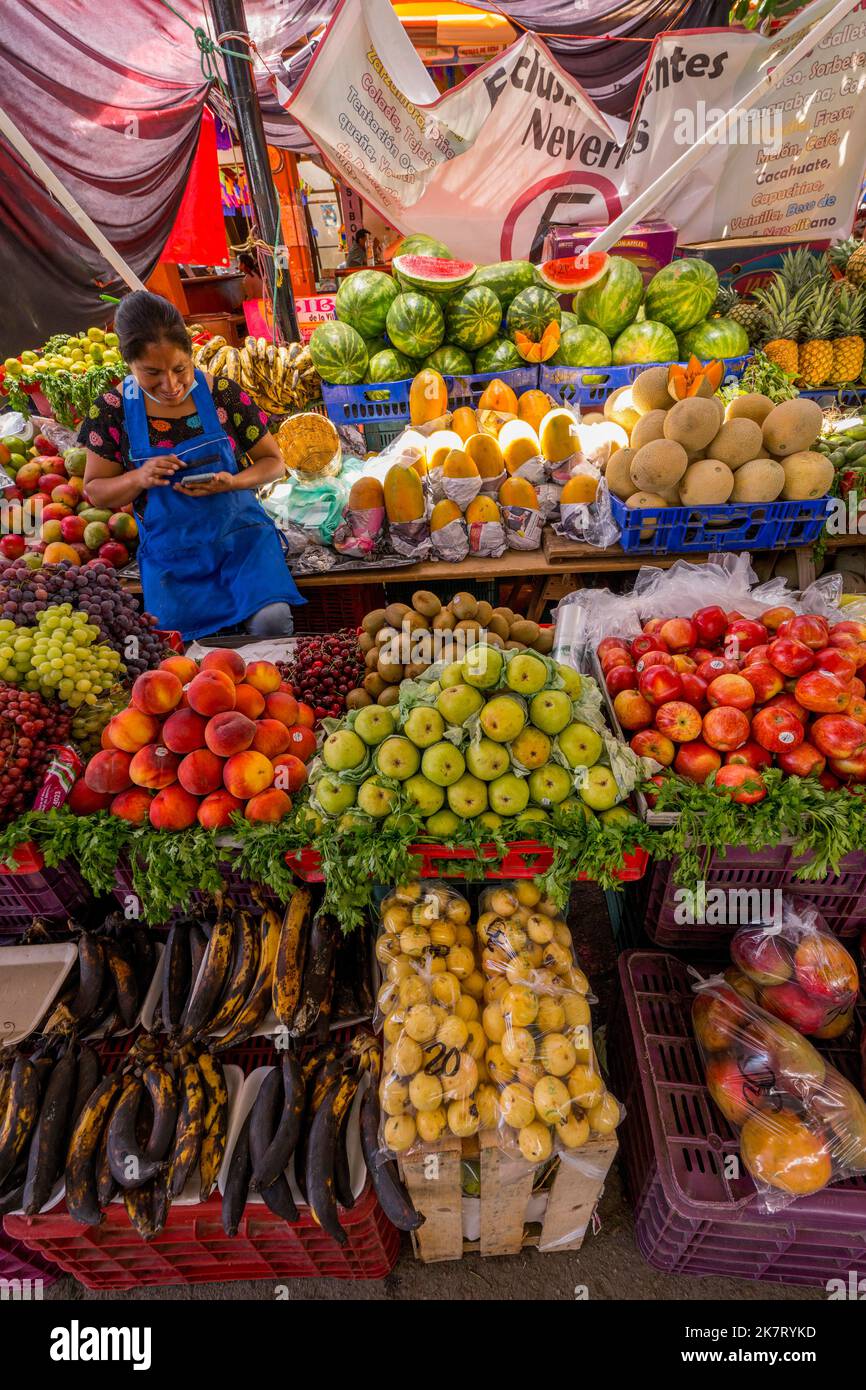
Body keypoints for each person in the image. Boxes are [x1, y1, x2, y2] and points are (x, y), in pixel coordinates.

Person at [79, 291, 303, 642]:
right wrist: (139, 476)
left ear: (191, 354)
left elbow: (274, 463)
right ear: (129, 363)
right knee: (186, 650)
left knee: (272, 623)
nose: (170, 385)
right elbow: (95, 490)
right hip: (174, 561)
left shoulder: (223, 394)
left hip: (242, 547)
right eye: (151, 372)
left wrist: (233, 481)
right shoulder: (113, 409)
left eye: (180, 368)